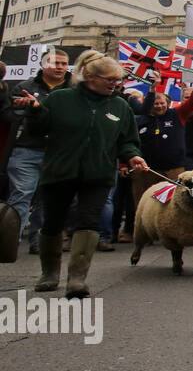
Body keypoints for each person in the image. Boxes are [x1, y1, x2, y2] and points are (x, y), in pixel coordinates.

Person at [21, 51, 146, 298]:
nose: (115, 84)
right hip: (59, 171)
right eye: (109, 79)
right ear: (89, 76)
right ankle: (49, 274)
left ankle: (77, 278)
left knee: (89, 222)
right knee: (53, 223)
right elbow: (37, 129)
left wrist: (132, 155)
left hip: (97, 175)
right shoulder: (60, 98)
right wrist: (35, 110)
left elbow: (128, 140)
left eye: (117, 80)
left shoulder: (120, 105)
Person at [3, 47, 71, 254]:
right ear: (43, 65)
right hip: (27, 150)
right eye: (54, 63)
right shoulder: (25, 87)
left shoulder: (74, 90)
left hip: (58, 152)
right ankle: (9, 240)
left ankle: (38, 241)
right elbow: (10, 115)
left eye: (63, 64)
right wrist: (27, 107)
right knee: (22, 194)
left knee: (47, 199)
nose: (59, 67)